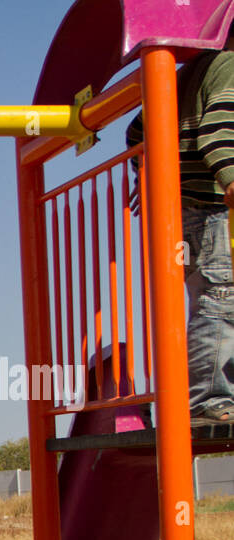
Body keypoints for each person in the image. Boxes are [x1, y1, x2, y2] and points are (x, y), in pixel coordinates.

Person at [126, 34, 234, 424]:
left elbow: (137, 131)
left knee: (209, 296)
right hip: (209, 205)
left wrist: (147, 173)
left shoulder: (188, 71)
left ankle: (195, 393)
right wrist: (231, 180)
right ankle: (206, 399)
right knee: (219, 296)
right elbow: (218, 133)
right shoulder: (230, 66)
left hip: (180, 205)